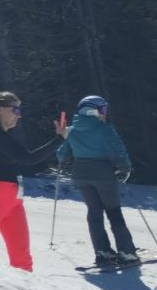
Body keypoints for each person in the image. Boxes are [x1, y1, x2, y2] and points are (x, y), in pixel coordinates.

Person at [0, 91, 68, 273]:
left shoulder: (9, 135)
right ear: (0, 110)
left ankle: (25, 288)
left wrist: (59, 138)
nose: (19, 115)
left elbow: (26, 156)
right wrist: (59, 139)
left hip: (13, 201)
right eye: (15, 110)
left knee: (22, 258)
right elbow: (29, 158)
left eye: (20, 110)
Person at [57, 95, 139, 266]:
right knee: (113, 212)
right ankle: (126, 252)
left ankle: (102, 252)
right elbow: (119, 149)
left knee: (94, 212)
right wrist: (125, 167)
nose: (105, 113)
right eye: (102, 109)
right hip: (103, 174)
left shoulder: (72, 130)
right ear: (92, 111)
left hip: (81, 174)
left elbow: (61, 154)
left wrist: (64, 138)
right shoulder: (104, 129)